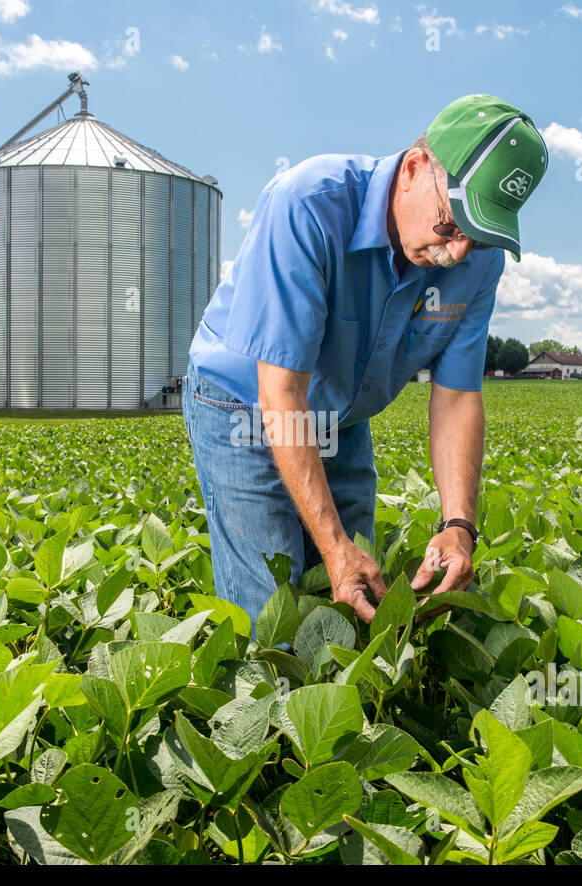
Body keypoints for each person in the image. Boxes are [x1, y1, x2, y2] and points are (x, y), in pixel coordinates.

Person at [183, 94, 548, 642]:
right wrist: (332, 546)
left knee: (357, 608)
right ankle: (279, 719)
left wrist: (459, 526)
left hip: (341, 415)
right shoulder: (307, 203)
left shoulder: (477, 262)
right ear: (414, 169)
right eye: (451, 224)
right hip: (243, 404)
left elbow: (456, 398)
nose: (460, 251)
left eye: (484, 235)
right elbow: (280, 391)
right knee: (273, 612)